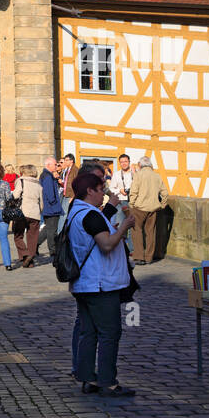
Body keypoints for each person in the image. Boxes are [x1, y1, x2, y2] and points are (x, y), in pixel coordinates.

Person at [66, 170, 136, 397]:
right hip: (100, 283)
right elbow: (106, 245)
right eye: (100, 191)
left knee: (89, 332)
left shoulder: (75, 212)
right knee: (109, 332)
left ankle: (88, 378)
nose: (103, 196)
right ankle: (108, 381)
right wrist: (123, 228)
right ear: (90, 191)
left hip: (85, 283)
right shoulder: (90, 215)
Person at [128, 156, 168, 265]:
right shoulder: (157, 176)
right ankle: (149, 257)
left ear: (140, 165)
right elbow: (165, 193)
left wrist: (131, 205)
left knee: (136, 231)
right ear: (150, 165)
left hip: (139, 207)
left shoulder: (138, 175)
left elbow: (133, 192)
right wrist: (162, 205)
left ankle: (139, 257)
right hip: (153, 208)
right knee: (151, 232)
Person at [11, 164, 43, 266]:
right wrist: (39, 211)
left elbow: (16, 195)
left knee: (18, 235)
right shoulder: (39, 184)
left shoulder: (21, 181)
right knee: (32, 237)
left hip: (22, 212)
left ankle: (25, 254)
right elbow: (42, 203)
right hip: (35, 214)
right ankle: (30, 260)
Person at [39, 156, 63, 262]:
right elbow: (50, 193)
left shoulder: (47, 175)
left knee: (48, 228)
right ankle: (52, 250)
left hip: (49, 207)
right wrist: (54, 203)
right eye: (55, 164)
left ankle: (35, 244)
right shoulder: (48, 176)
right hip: (51, 208)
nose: (57, 166)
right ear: (48, 165)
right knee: (52, 230)